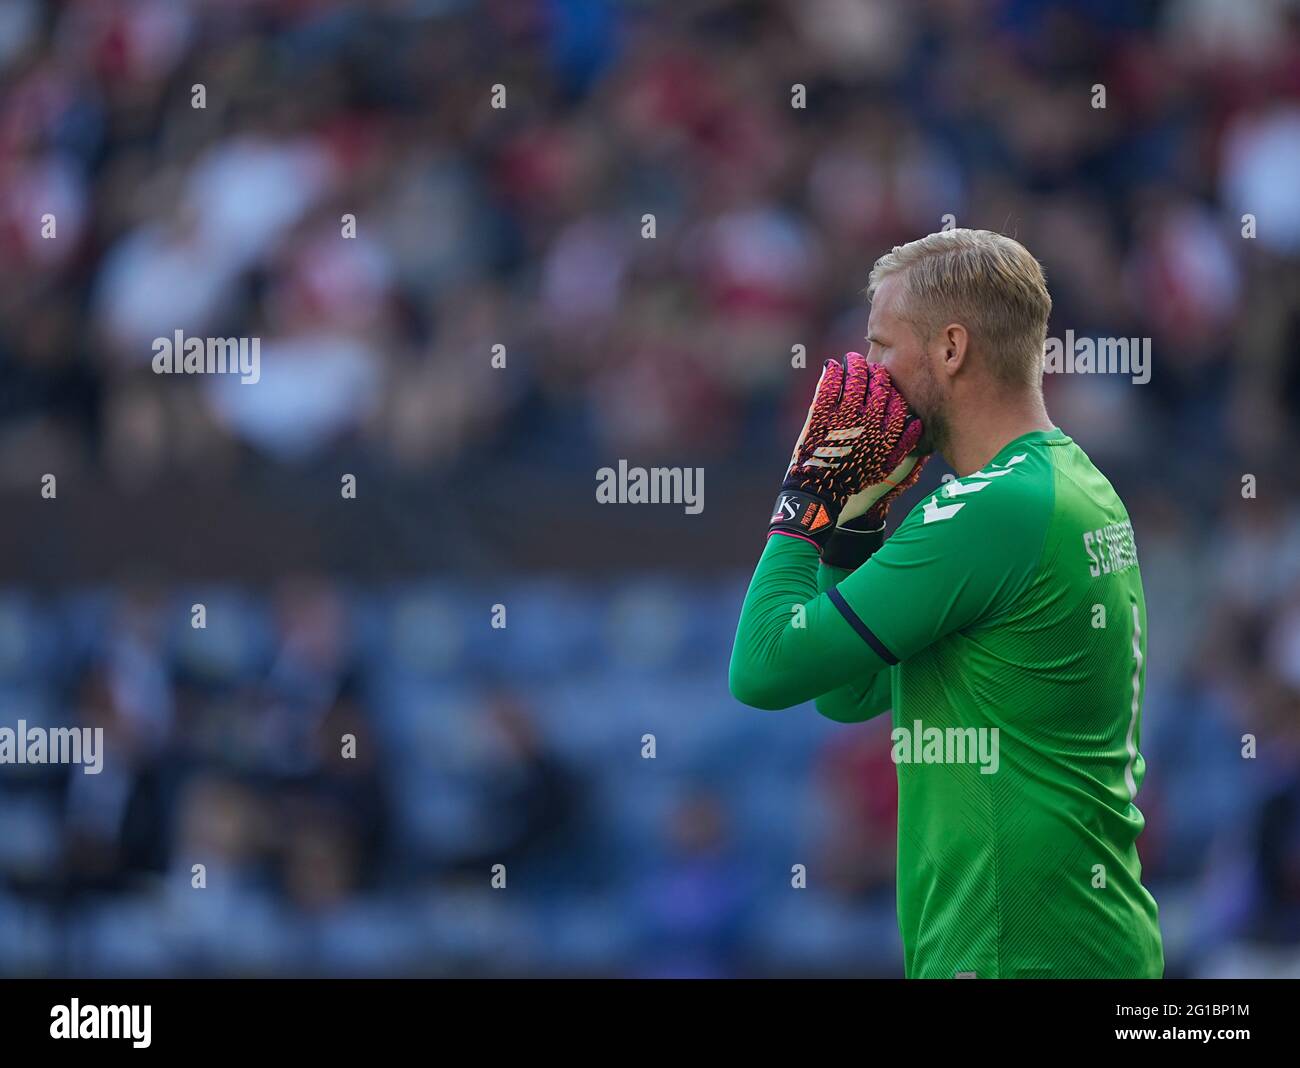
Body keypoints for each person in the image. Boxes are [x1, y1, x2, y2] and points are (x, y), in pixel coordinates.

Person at [729, 228, 1164, 979]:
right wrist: (854, 526)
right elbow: (850, 693)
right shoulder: (1066, 480)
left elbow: (761, 669)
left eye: (881, 345)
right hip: (1072, 942)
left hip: (1017, 954)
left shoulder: (989, 511)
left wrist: (806, 502)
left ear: (952, 349)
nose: (864, 372)